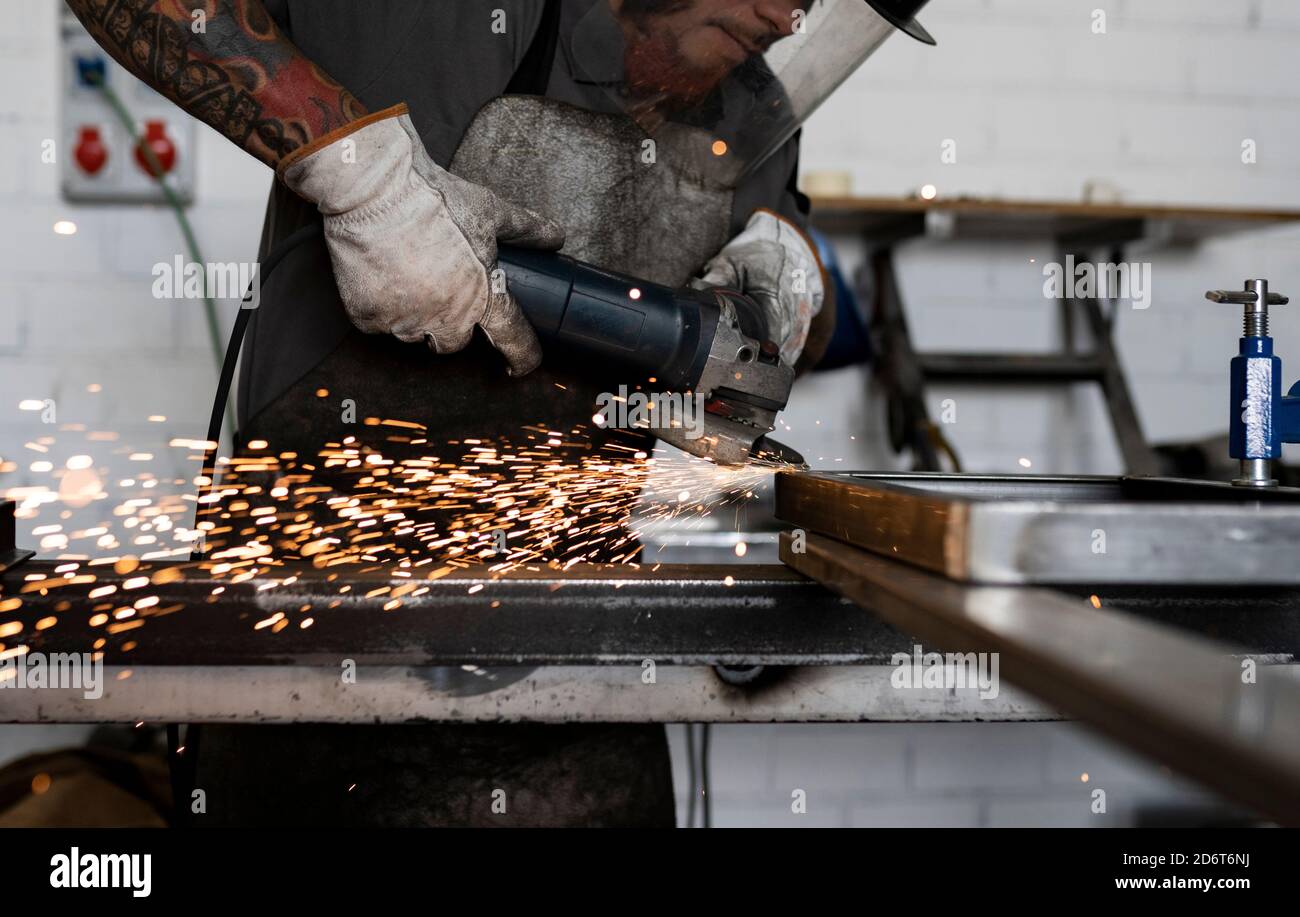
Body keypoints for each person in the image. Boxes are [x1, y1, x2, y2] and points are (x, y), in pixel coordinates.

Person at [66, 0, 933, 826]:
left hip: (577, 674)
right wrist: (352, 168)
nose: (791, 19)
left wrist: (790, 272)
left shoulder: (750, 96)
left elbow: (790, 289)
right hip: (316, 648)